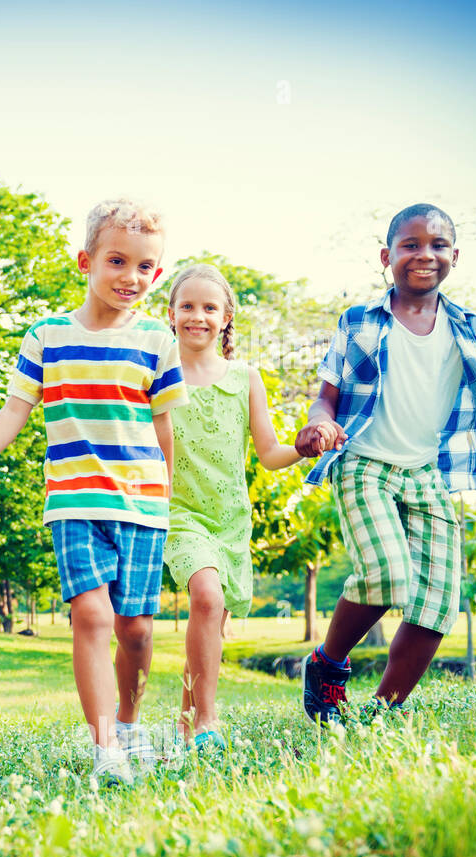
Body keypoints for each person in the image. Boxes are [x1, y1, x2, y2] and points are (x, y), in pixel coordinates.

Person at [0, 199, 186, 787]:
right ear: (86, 261)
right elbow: (14, 411)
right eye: (117, 261)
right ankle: (107, 748)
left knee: (137, 630)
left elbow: (163, 427)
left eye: (145, 268)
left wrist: (171, 491)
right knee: (92, 617)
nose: (132, 278)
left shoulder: (158, 339)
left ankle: (128, 724)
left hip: (144, 504)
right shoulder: (47, 335)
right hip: (76, 502)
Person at [295, 204, 476, 724]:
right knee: (385, 573)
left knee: (440, 601)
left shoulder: (472, 330)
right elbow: (326, 396)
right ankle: (327, 667)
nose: (425, 255)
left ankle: (380, 714)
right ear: (387, 256)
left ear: (455, 257)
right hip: (365, 465)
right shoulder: (360, 322)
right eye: (411, 245)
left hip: (427, 474)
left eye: (438, 245)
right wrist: (319, 424)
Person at [163, 264, 316, 750]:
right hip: (176, 513)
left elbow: (270, 455)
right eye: (187, 306)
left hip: (229, 519)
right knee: (206, 598)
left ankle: (186, 727)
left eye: (209, 308)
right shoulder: (156, 376)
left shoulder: (246, 378)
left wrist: (306, 446)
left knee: (210, 622)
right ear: (170, 314)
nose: (198, 316)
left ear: (227, 317)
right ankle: (207, 722)